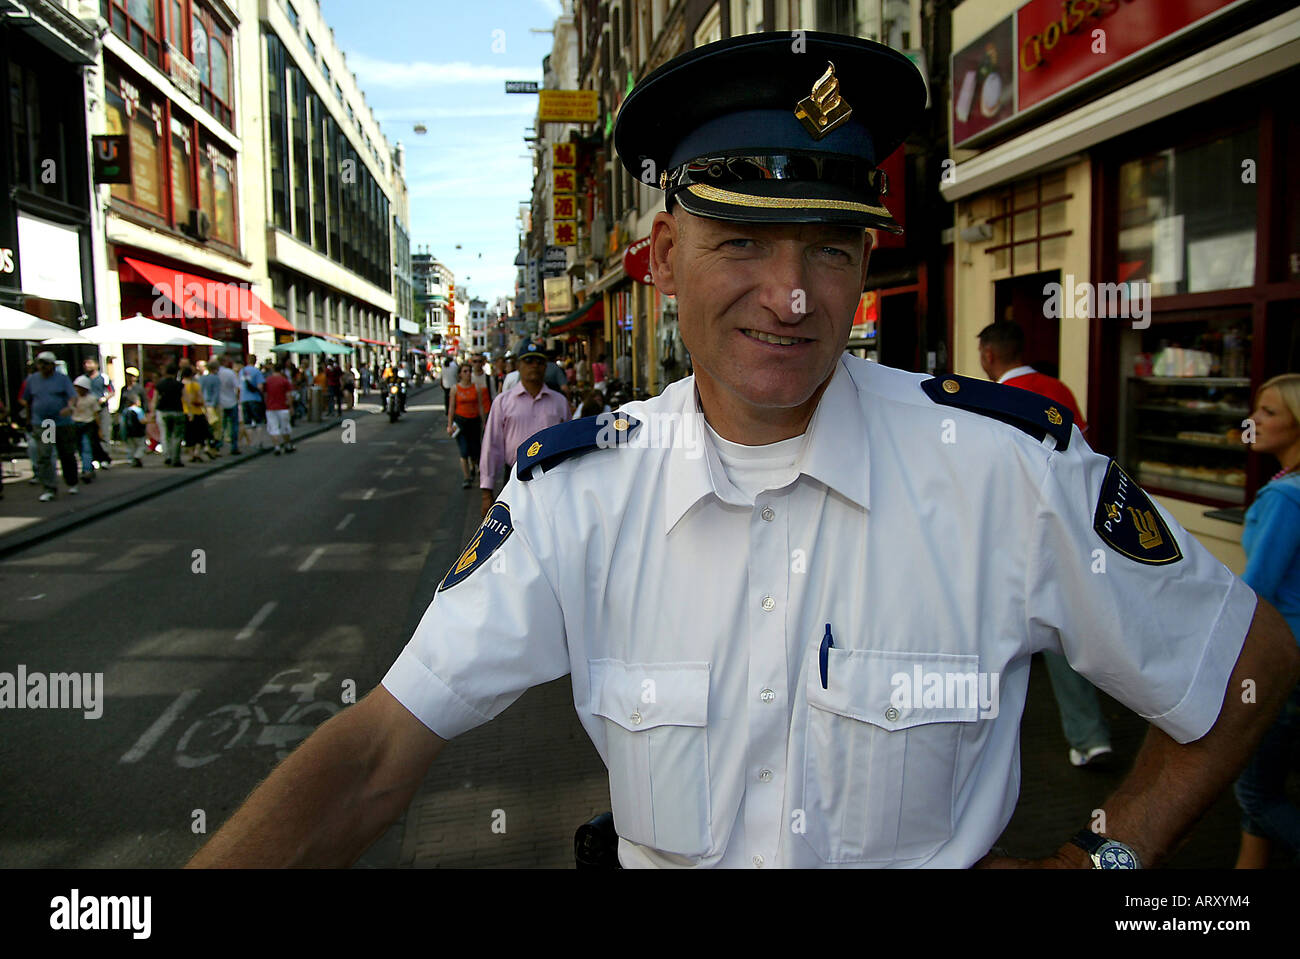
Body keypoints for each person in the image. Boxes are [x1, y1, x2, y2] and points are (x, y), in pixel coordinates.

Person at [190, 33, 1299, 870]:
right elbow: (381, 750)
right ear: (664, 257)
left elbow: (1246, 660)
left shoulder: (1005, 470)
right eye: (741, 242)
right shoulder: (579, 495)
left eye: (828, 245)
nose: (790, 294)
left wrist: (1104, 857)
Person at [978, 320, 1113, 768]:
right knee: (1063, 628)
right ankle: (1089, 736)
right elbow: (1085, 456)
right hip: (1066, 528)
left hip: (1008, 529)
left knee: (986, 626)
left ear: (989, 356)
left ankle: (979, 724)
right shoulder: (1061, 390)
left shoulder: (991, 400)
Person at [1233, 374, 1300, 867]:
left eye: (1269, 412)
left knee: (1257, 792)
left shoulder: (1284, 498)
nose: (1254, 421)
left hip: (1281, 659)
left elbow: (1256, 591)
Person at [478, 341, 569, 518]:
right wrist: (486, 492)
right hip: (514, 479)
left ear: (545, 366)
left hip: (553, 480)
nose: (534, 366)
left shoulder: (559, 402)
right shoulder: (503, 402)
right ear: (518, 366)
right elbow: (492, 446)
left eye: (539, 361)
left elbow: (568, 444)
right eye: (529, 361)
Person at [21, 352, 79, 502]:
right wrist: (28, 419)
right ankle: (49, 487)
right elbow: (27, 400)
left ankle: (72, 481)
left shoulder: (62, 379)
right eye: (40, 364)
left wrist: (70, 407)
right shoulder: (33, 380)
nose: (42, 367)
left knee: (66, 453)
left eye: (45, 363)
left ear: (52, 365)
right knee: (44, 455)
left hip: (62, 422)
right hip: (44, 423)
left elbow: (72, 396)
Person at [447, 363, 489, 489]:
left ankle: (473, 465)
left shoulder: (476, 388)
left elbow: (480, 406)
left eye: (469, 371)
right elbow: (451, 408)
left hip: (474, 422)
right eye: (465, 371)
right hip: (460, 422)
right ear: (460, 374)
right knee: (464, 450)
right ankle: (466, 477)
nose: (468, 374)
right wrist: (449, 425)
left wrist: (484, 422)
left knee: (475, 449)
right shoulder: (455, 389)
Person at [81, 358, 113, 469]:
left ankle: (105, 458)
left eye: (90, 363)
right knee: (91, 434)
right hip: (88, 410)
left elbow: (112, 391)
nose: (87, 365)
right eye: (85, 363)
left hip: (102, 409)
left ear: (96, 365)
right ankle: (94, 458)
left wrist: (104, 398)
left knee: (104, 433)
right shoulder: (83, 379)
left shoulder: (103, 378)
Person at [152, 364, 186, 467]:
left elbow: (155, 399)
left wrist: (153, 412)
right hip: (177, 411)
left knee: (164, 435)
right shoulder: (180, 385)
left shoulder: (160, 385)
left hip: (162, 411)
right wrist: (188, 412)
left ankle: (167, 456)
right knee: (176, 436)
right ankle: (176, 459)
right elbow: (185, 399)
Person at [70, 375, 101, 483]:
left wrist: (99, 428)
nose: (77, 389)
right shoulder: (74, 399)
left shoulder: (91, 399)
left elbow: (96, 414)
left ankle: (86, 469)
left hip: (88, 425)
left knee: (86, 447)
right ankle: (88, 466)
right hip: (76, 425)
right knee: (80, 448)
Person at [263, 362, 296, 456]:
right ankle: (287, 445)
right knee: (285, 427)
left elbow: (265, 394)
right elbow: (289, 395)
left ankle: (276, 447)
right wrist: (291, 406)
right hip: (283, 407)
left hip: (270, 407)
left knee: (273, 428)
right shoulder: (284, 381)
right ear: (281, 370)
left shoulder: (268, 380)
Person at [181, 367, 212, 463]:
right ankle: (197, 453)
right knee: (200, 434)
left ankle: (191, 455)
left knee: (189, 435)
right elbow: (201, 399)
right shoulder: (195, 385)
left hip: (184, 412)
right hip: (197, 412)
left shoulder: (180, 385)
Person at [239, 354, 266, 450]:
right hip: (255, 399)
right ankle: (259, 442)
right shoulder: (257, 372)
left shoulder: (242, 371)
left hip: (244, 399)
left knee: (247, 423)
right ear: (255, 361)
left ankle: (251, 443)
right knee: (258, 422)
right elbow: (260, 387)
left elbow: (239, 387)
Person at [216, 356, 241, 455]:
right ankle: (234, 447)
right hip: (232, 402)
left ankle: (218, 446)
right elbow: (238, 387)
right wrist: (237, 398)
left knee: (221, 426)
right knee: (234, 426)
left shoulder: (215, 374)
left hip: (220, 403)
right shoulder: (230, 373)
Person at [199, 359, 223, 454]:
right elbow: (216, 393)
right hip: (213, 405)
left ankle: (207, 445)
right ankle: (213, 448)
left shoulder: (202, 378)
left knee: (207, 427)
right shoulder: (216, 378)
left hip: (203, 405)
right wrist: (213, 405)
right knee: (216, 428)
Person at [121, 391, 147, 467]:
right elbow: (142, 421)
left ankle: (132, 460)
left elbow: (123, 423)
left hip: (128, 433)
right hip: (139, 433)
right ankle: (137, 457)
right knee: (141, 446)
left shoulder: (125, 411)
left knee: (131, 448)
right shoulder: (139, 410)